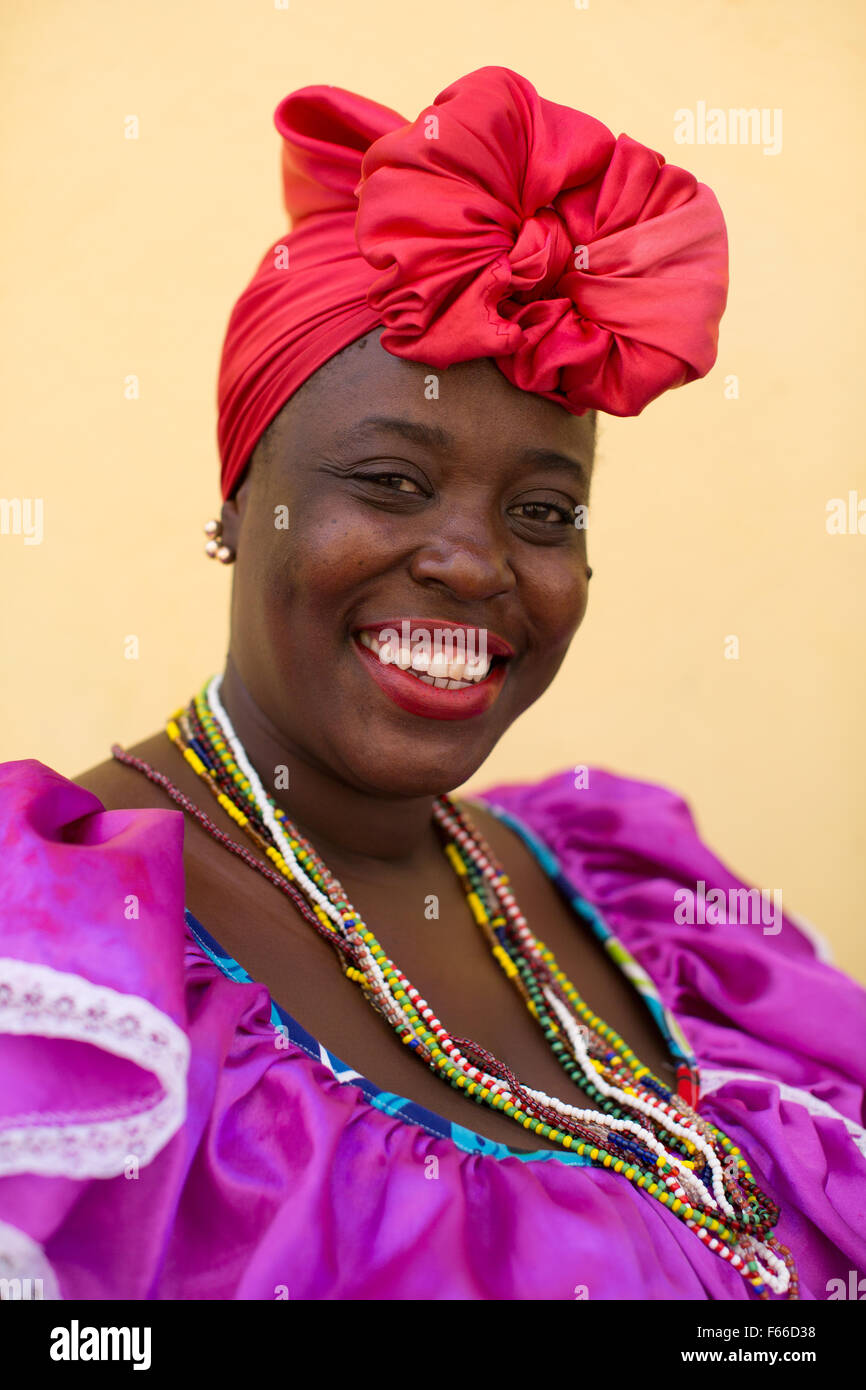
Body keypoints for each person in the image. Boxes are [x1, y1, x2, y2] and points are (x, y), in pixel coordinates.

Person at [1, 66, 863, 1303]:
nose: (471, 561)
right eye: (391, 483)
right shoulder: (64, 976)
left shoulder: (625, 890)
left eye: (542, 510)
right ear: (239, 503)